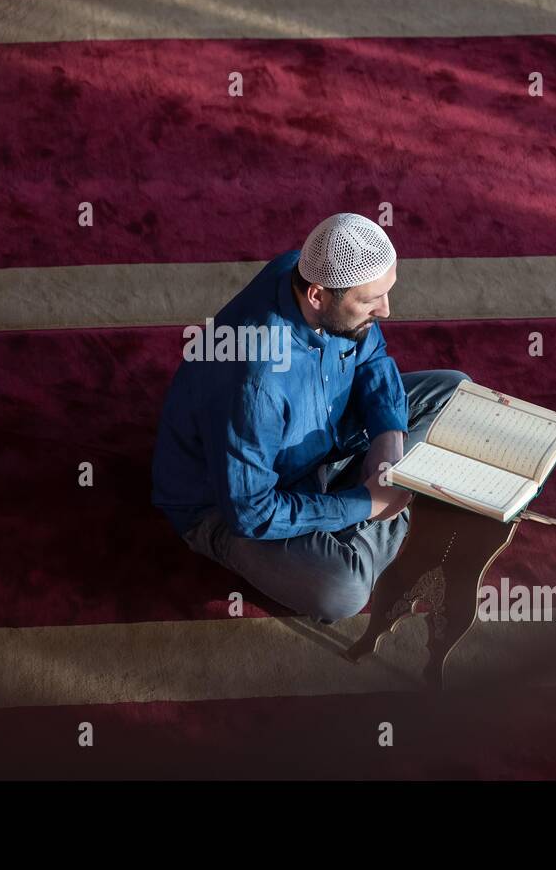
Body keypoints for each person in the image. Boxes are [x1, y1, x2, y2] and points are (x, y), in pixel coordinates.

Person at [151, 213, 472, 623]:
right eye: (372, 300)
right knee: (342, 589)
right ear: (318, 296)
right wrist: (366, 503)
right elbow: (252, 513)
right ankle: (390, 504)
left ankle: (380, 504)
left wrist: (389, 435)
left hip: (321, 439)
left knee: (456, 393)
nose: (387, 310)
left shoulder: (304, 272)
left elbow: (371, 355)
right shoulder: (257, 384)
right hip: (230, 506)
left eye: (386, 292)